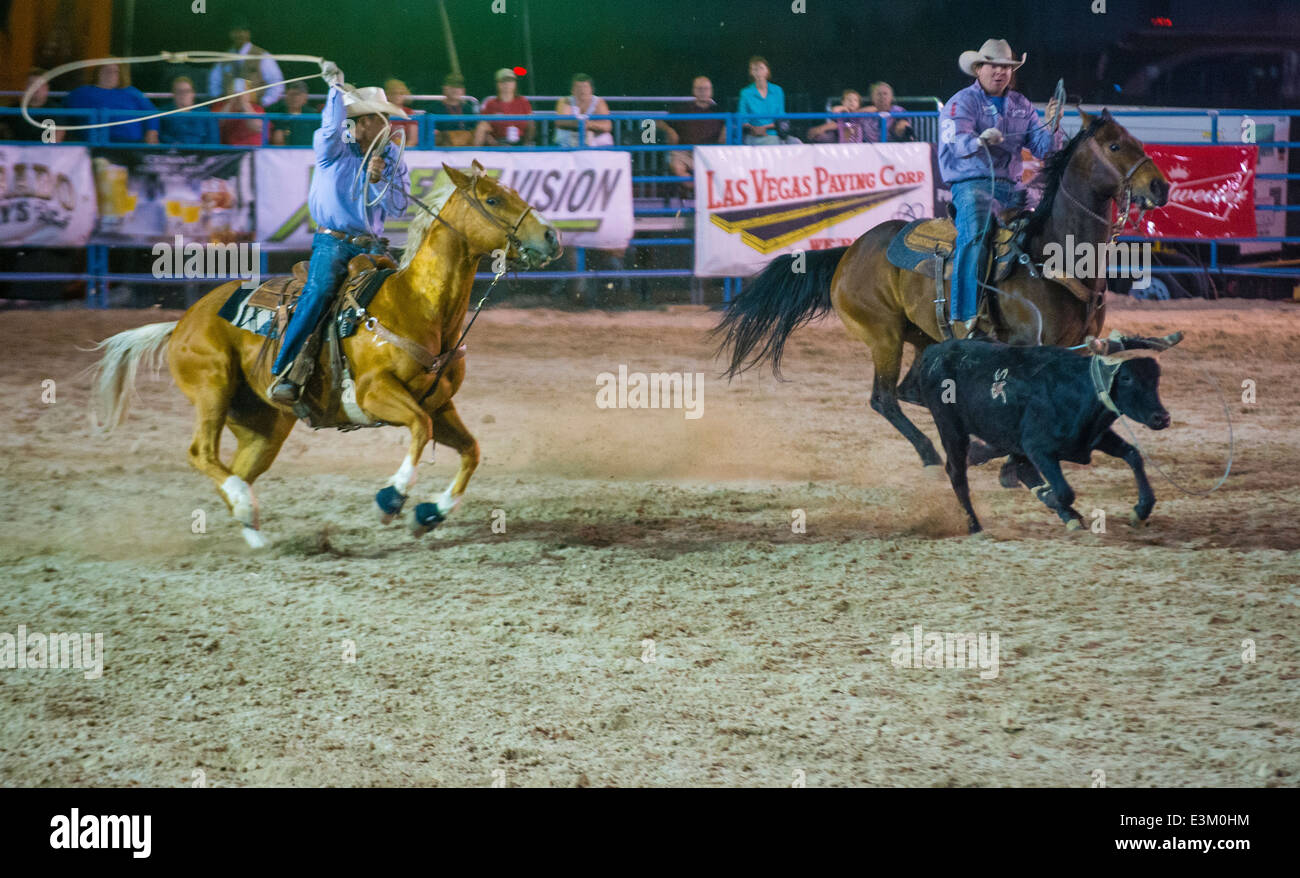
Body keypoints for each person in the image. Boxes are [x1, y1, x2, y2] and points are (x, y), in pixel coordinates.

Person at [269, 64, 411, 403]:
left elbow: (399, 207)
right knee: (318, 293)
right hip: (333, 243)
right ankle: (285, 368)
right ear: (362, 123)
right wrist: (335, 87)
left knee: (405, 293)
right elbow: (331, 126)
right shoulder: (333, 150)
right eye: (380, 118)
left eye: (387, 118)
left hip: (371, 247)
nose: (388, 126)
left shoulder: (391, 158)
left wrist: (381, 177)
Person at [939, 38, 1061, 338]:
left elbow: (1044, 149)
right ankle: (965, 314)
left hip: (1011, 186)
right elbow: (954, 142)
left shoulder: (1021, 105)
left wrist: (1053, 124)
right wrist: (979, 141)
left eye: (1006, 67)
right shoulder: (961, 102)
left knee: (1048, 226)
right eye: (993, 65)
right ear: (978, 69)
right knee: (977, 232)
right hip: (972, 183)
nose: (1000, 71)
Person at [657, 75, 727, 189]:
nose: (703, 92)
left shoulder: (719, 111)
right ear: (693, 91)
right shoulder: (682, 109)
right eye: (699, 89)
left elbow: (725, 136)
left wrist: (726, 131)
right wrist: (669, 130)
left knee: (722, 167)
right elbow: (658, 122)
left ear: (711, 91)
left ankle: (703, 192)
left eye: (706, 89)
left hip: (708, 154)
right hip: (684, 152)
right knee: (677, 166)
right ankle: (697, 189)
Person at [63, 61, 159, 144]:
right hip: (95, 144)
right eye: (106, 70)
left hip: (131, 144)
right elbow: (61, 115)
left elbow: (152, 113)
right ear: (98, 73)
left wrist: (152, 132)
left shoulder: (132, 92)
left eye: (115, 72)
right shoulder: (82, 93)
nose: (111, 74)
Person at [207, 19, 285, 107]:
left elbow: (276, 82)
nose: (239, 34)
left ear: (249, 33)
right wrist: (220, 101)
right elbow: (214, 83)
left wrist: (264, 102)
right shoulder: (223, 58)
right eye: (235, 31)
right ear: (230, 34)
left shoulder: (262, 55)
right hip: (228, 110)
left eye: (243, 30)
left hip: (255, 109)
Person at [738, 56, 798, 145]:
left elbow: (781, 117)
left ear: (767, 71)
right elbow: (742, 118)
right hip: (752, 135)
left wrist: (765, 128)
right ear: (751, 72)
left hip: (772, 134)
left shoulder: (777, 90)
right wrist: (754, 129)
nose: (758, 73)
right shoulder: (745, 92)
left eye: (761, 68)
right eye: (754, 69)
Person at [473, 68, 533, 146]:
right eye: (503, 81)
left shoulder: (523, 102)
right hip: (498, 145)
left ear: (515, 83)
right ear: (497, 84)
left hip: (520, 144)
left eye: (510, 80)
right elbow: (483, 126)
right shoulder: (491, 104)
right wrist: (495, 144)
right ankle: (473, 156)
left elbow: (531, 125)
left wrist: (526, 144)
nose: (507, 84)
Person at [4, 69, 63, 142]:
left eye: (40, 85)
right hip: (16, 150)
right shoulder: (12, 110)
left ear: (47, 88)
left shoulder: (57, 111)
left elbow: (57, 137)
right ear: (24, 87)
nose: (36, 88)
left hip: (45, 151)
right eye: (31, 84)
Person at [554, 74, 613, 147]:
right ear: (572, 90)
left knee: (604, 138)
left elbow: (607, 126)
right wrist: (581, 124)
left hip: (597, 143)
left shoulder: (599, 102)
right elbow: (560, 122)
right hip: (568, 143)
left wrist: (589, 125)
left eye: (585, 87)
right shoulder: (565, 101)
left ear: (592, 89)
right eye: (578, 87)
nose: (582, 90)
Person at [159, 76, 219, 145]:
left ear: (193, 94)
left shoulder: (206, 113)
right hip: (173, 153)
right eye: (179, 91)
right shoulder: (163, 113)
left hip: (201, 153)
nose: (183, 95)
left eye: (187, 91)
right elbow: (162, 137)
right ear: (173, 94)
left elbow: (213, 140)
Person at [265, 81, 318, 146]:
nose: (295, 98)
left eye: (298, 94)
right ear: (287, 95)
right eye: (292, 94)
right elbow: (277, 140)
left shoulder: (313, 116)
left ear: (305, 98)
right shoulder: (277, 112)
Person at [216, 81, 265, 146]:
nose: (239, 95)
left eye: (245, 91)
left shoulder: (257, 108)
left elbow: (257, 128)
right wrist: (230, 103)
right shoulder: (221, 107)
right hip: (229, 150)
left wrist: (244, 104)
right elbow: (216, 124)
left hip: (252, 149)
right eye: (234, 92)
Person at [434, 74, 476, 146]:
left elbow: (474, 129)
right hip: (442, 151)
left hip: (466, 150)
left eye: (458, 87)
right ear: (444, 88)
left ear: (463, 90)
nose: (455, 90)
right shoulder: (434, 108)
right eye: (451, 86)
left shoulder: (468, 108)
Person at [383, 78, 421, 147]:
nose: (397, 96)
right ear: (387, 95)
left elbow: (412, 140)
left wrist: (402, 151)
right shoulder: (382, 113)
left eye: (401, 93)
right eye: (394, 93)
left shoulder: (409, 113)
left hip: (405, 151)